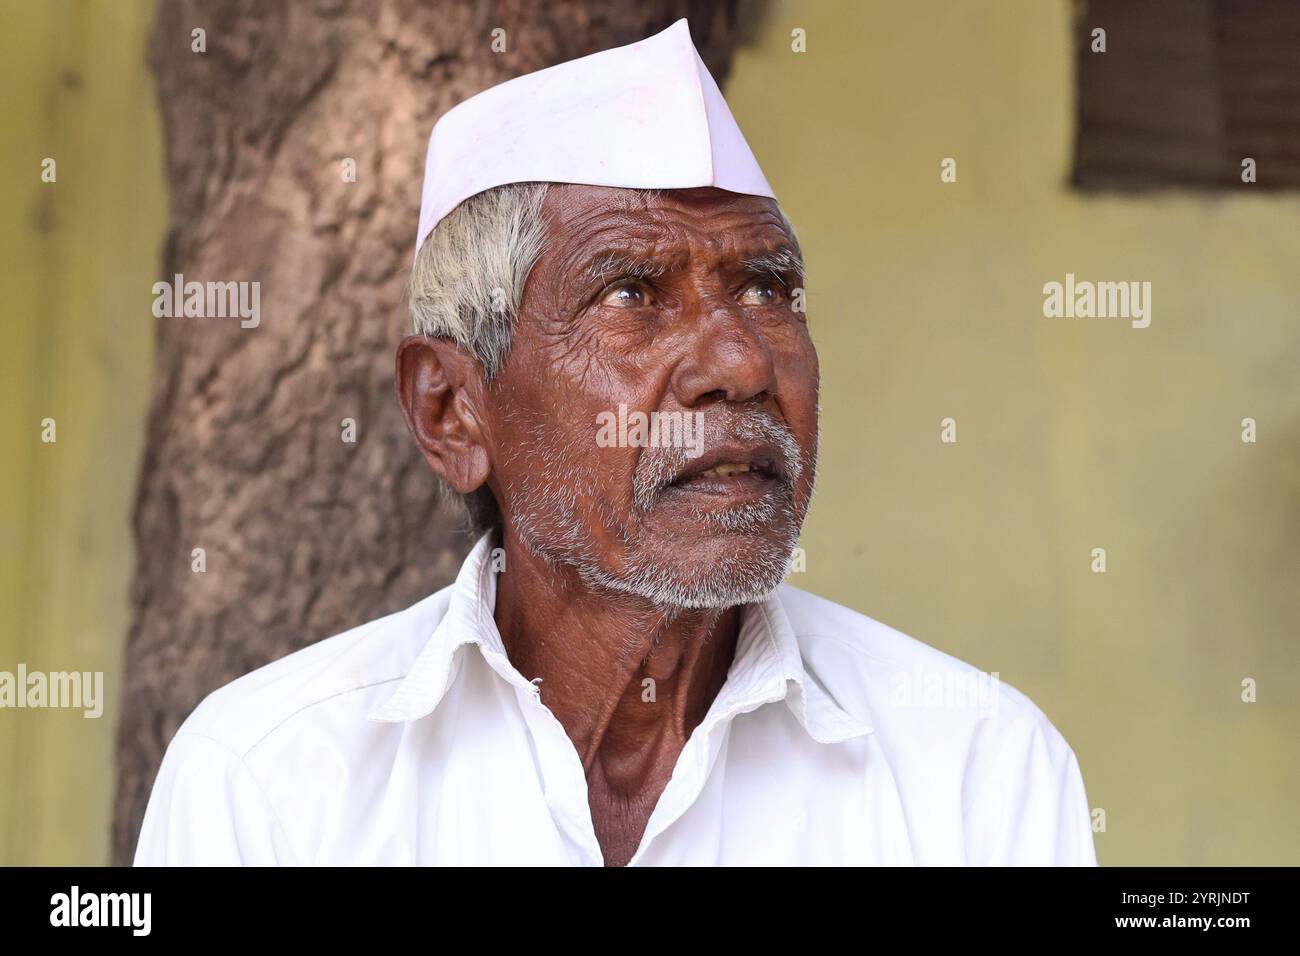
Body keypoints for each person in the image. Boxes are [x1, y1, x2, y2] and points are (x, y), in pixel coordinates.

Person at [134, 19, 1096, 867]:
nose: (740, 362)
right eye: (630, 292)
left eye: (767, 288)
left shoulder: (974, 771)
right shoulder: (272, 782)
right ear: (452, 412)